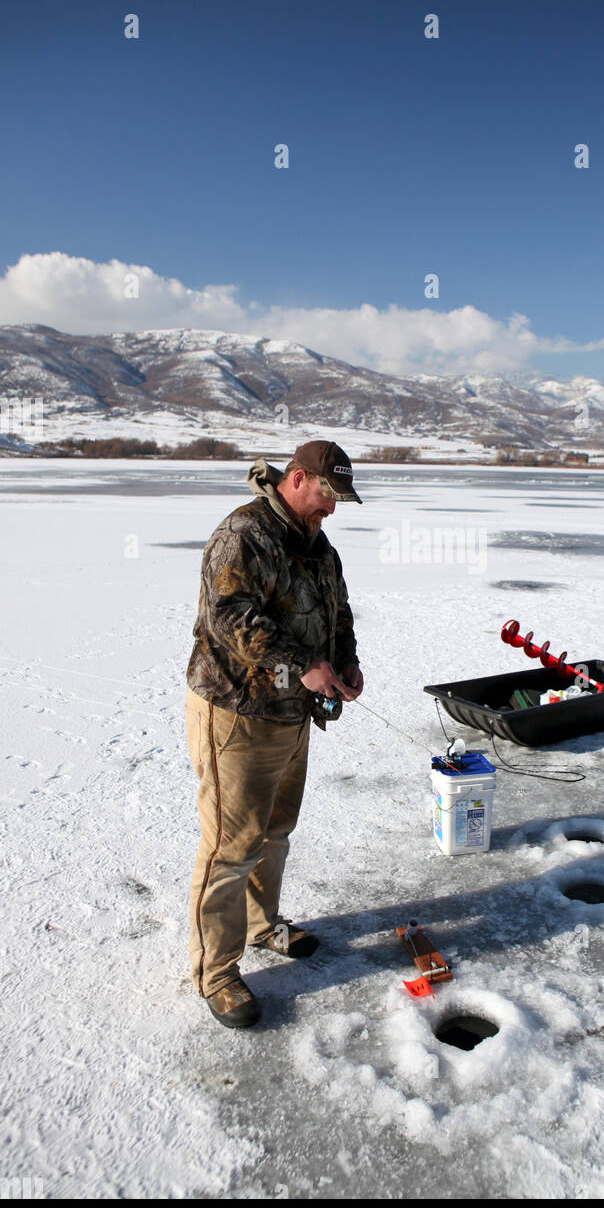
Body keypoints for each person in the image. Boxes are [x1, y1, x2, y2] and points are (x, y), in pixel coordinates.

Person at [184, 440, 363, 1028]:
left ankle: (263, 926)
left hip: (292, 712)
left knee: (276, 831)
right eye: (327, 495)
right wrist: (300, 662)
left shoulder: (318, 546)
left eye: (339, 499)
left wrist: (345, 661)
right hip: (237, 712)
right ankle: (217, 972)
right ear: (296, 478)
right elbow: (229, 616)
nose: (332, 509)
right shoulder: (244, 534)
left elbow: (338, 610)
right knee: (231, 846)